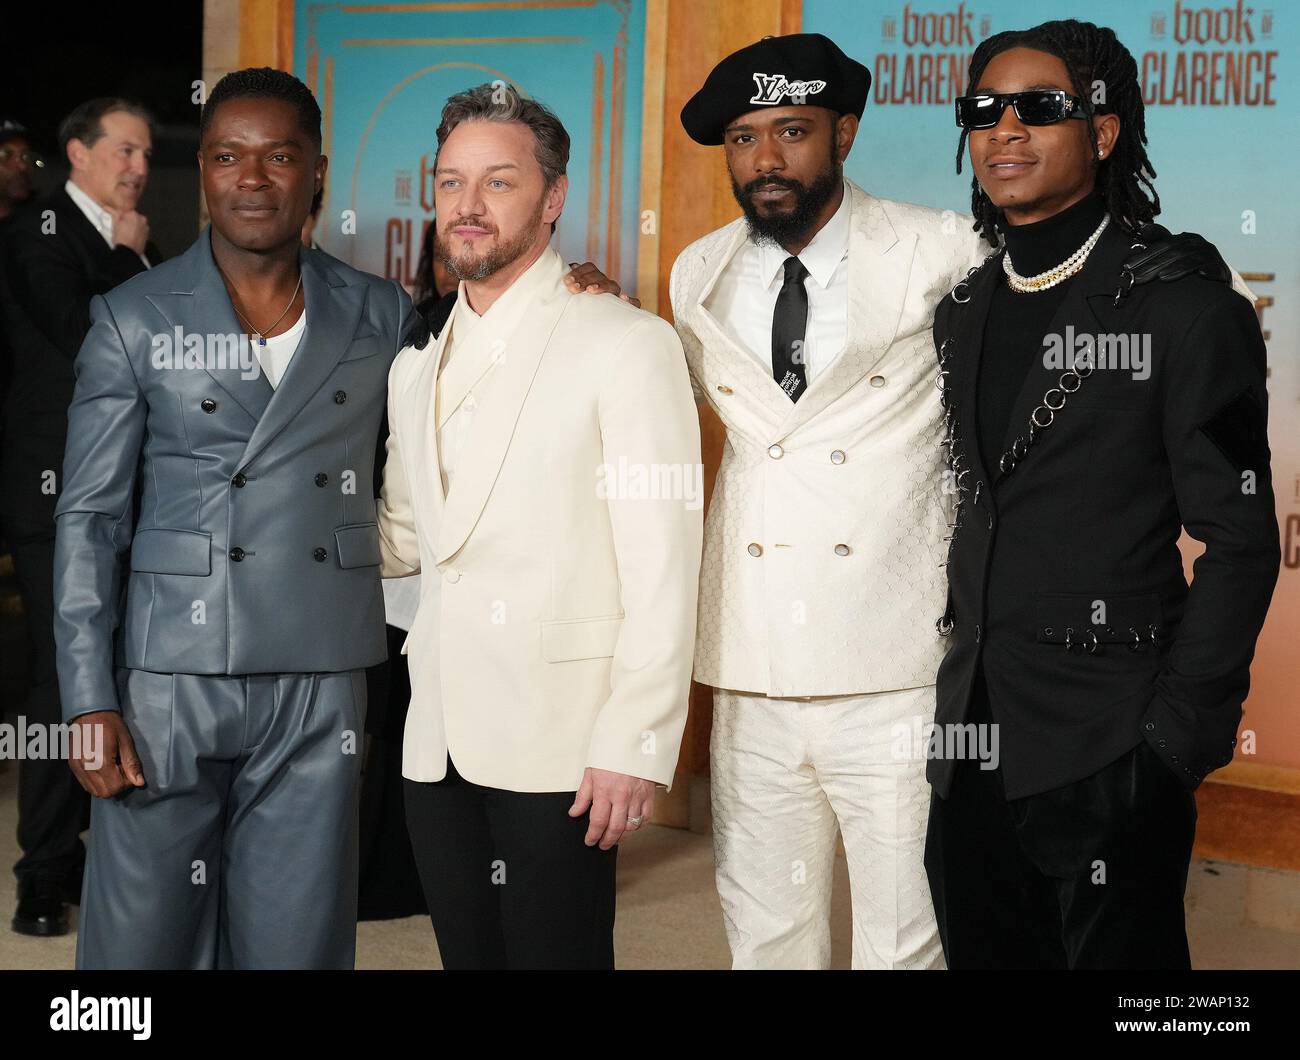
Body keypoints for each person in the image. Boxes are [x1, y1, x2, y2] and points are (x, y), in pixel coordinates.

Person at [923, 19, 1280, 969]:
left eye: (1040, 109)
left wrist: (1173, 742)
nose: (1006, 129)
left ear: (1105, 132)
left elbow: (1241, 541)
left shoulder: (1187, 308)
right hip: (972, 740)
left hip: (1113, 740)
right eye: (984, 110)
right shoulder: (962, 313)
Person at [52, 68, 412, 969]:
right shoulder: (132, 317)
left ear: (317, 172)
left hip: (318, 668)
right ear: (205, 173)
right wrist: (88, 695)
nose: (252, 178)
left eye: (278, 155)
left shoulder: (382, 311)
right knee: (140, 941)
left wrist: (574, 286)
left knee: (296, 934)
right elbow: (89, 519)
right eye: (227, 156)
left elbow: (479, 380)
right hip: (167, 674)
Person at [670, 32, 993, 970]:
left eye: (792, 131)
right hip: (752, 661)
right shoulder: (699, 271)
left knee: (905, 938)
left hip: (894, 659)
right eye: (743, 138)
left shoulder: (943, 248)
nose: (765, 160)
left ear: (843, 133)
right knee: (766, 930)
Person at [377, 82, 702, 969]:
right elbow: (403, 538)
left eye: (498, 183)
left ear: (553, 199)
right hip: (436, 731)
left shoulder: (627, 345)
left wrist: (634, 742)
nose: (467, 208)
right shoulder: (416, 366)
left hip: (565, 739)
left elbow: (665, 568)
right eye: (449, 183)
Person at [0, 99, 159, 938]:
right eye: (124, 148)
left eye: (144, 150)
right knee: (66, 676)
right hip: (52, 491)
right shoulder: (41, 232)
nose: (138, 163)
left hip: (131, 492)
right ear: (78, 153)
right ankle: (42, 869)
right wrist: (132, 259)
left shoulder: (132, 236)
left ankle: (99, 848)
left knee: (119, 668)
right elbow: (89, 332)